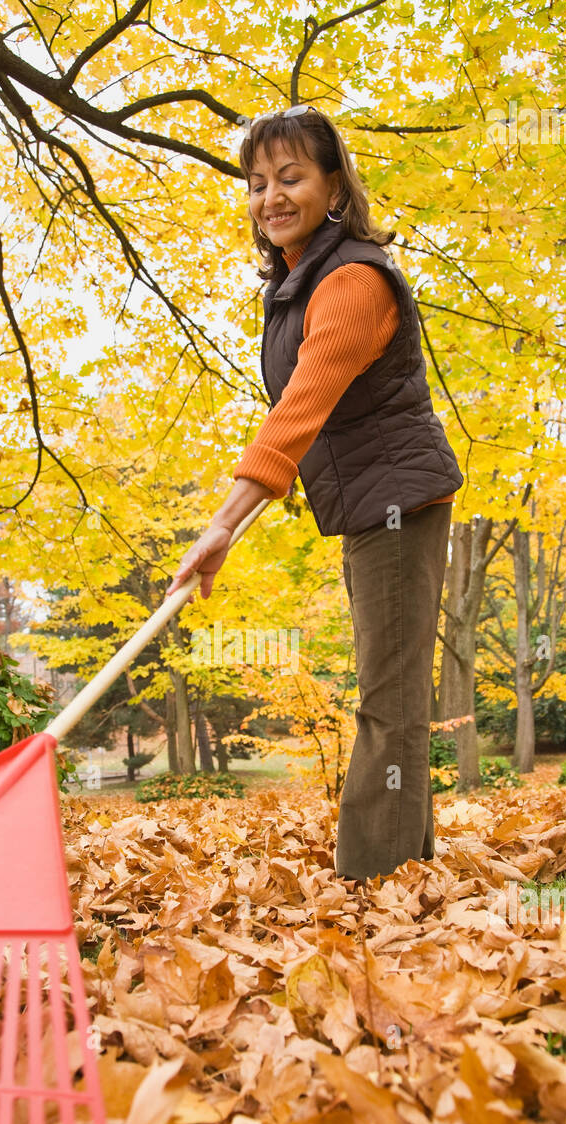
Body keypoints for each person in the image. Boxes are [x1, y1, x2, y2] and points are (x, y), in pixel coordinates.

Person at [166, 106, 463, 884]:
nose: (271, 196)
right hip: (371, 506)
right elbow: (298, 422)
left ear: (334, 184)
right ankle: (408, 874)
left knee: (388, 700)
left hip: (400, 505)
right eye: (258, 182)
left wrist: (221, 526)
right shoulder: (302, 282)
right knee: (390, 692)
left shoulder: (354, 281)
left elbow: (300, 409)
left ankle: (375, 883)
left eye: (291, 176)